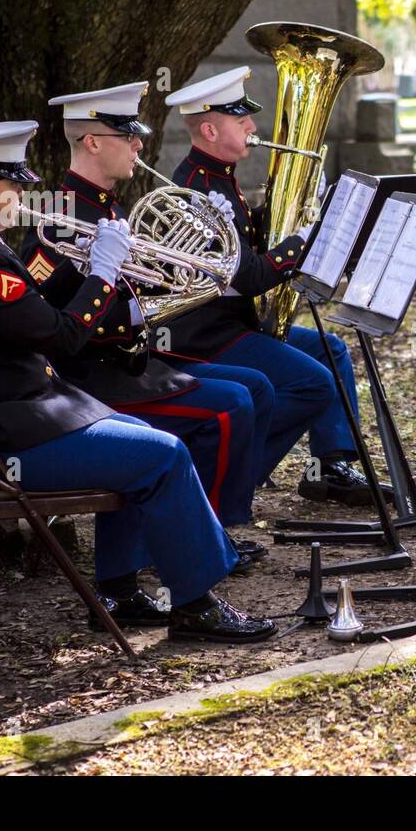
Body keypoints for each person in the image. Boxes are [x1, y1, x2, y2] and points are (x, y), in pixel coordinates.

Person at [0, 120, 275, 642]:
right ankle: (194, 604)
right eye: (11, 184)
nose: (20, 193)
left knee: (139, 444)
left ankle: (119, 591)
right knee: (164, 453)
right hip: (0, 439)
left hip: (16, 418)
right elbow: (60, 337)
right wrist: (104, 274)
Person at [21, 81, 271, 560]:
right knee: (230, 404)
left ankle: (206, 528)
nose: (139, 144)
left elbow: (147, 284)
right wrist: (131, 298)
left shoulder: (113, 205)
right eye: (127, 136)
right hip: (95, 376)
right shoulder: (61, 216)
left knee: (253, 389)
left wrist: (197, 253)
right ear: (92, 141)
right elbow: (51, 317)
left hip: (135, 364)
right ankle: (197, 542)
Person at [158, 65, 381, 507]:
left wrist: (299, 213)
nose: (253, 127)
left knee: (330, 351)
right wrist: (298, 244)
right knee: (314, 383)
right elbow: (249, 277)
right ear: (208, 128)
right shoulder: (193, 189)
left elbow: (245, 241)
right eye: (241, 121)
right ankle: (235, 469)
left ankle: (330, 468)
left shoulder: (219, 177)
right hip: (205, 336)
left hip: (231, 324)